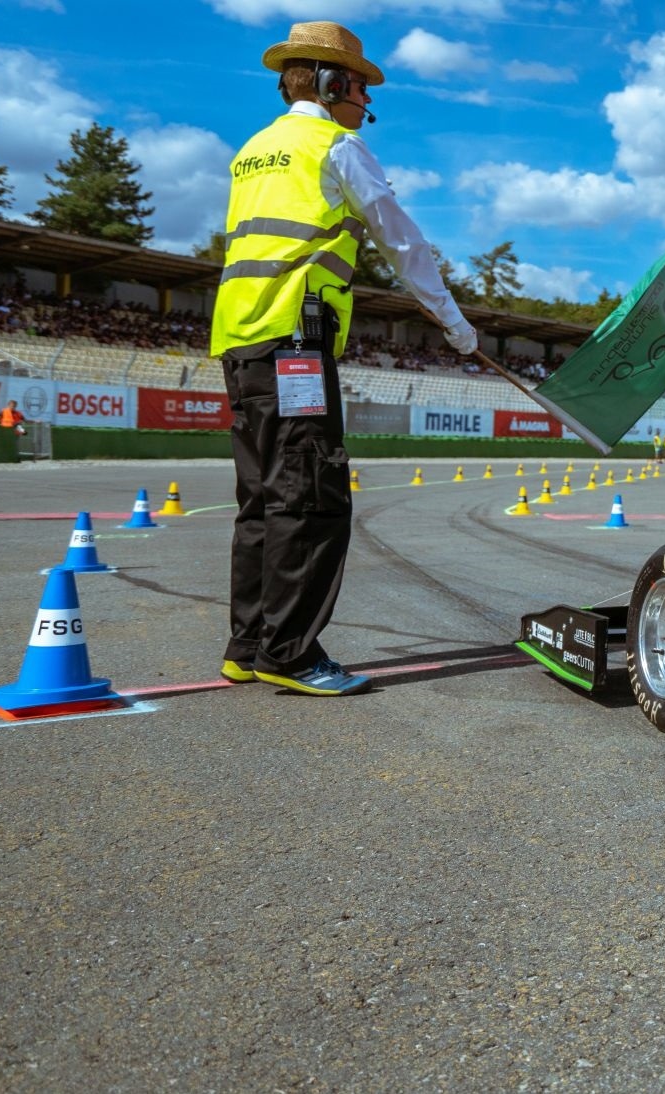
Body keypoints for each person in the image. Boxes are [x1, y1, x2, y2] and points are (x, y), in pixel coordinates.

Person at [211, 20, 476, 697]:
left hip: (240, 340)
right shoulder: (335, 145)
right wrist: (454, 323)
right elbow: (402, 240)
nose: (367, 109)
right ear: (335, 84)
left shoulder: (254, 150)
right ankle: (291, 654)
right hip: (296, 347)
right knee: (312, 497)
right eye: (362, 92)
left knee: (262, 499)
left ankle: (248, 644)